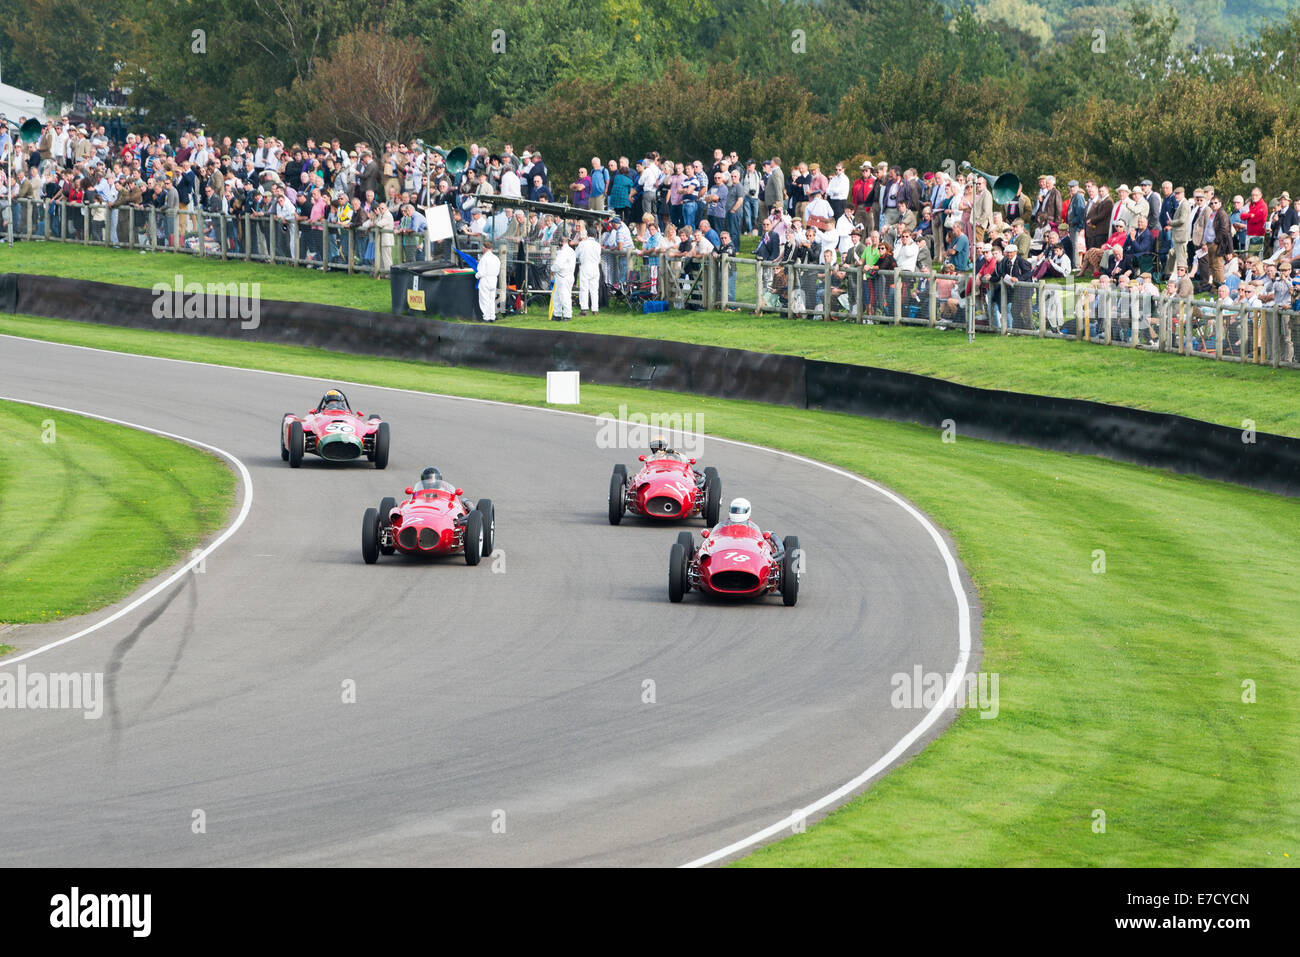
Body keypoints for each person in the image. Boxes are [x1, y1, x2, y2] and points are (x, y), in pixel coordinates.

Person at [576, 229, 602, 315]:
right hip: (595, 267)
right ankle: (595, 309)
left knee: (584, 288)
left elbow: (576, 254)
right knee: (594, 289)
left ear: (587, 234)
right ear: (595, 235)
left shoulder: (582, 244)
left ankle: (584, 309)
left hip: (585, 266)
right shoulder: (598, 245)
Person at [551, 235, 577, 320]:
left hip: (563, 276)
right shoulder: (571, 250)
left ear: (562, 242)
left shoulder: (563, 252)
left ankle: (567, 315)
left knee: (563, 296)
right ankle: (557, 314)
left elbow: (558, 265)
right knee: (557, 296)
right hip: (568, 276)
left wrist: (552, 269)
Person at [475, 238, 501, 322]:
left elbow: (481, 272)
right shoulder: (496, 258)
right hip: (494, 279)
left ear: (484, 248)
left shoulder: (484, 258)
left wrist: (476, 275)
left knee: (484, 299)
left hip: (485, 279)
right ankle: (492, 316)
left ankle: (486, 317)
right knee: (492, 299)